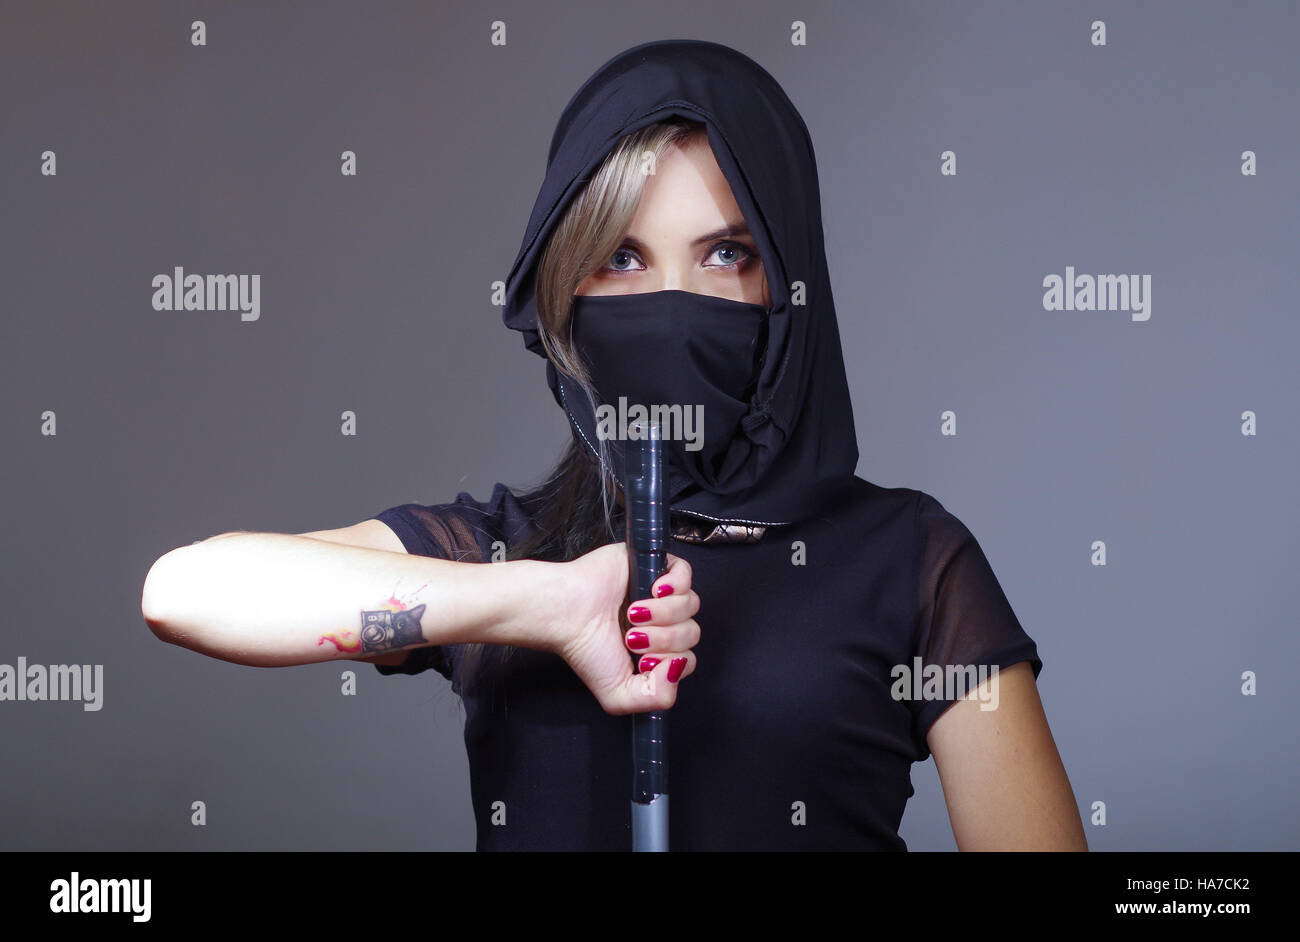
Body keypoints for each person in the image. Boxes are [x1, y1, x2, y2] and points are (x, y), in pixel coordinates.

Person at [142, 39, 1088, 852]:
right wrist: (539, 603)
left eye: (727, 254)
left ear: (790, 282)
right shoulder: (504, 547)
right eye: (621, 258)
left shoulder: (913, 562)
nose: (672, 305)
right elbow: (188, 593)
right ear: (566, 289)